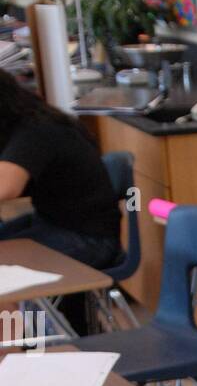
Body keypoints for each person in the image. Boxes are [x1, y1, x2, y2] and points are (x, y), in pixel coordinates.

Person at [0, 71, 122, 324]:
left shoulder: (37, 131)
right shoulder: (29, 120)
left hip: (90, 238)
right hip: (55, 223)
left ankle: (17, 351)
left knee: (3, 267)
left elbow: (5, 187)